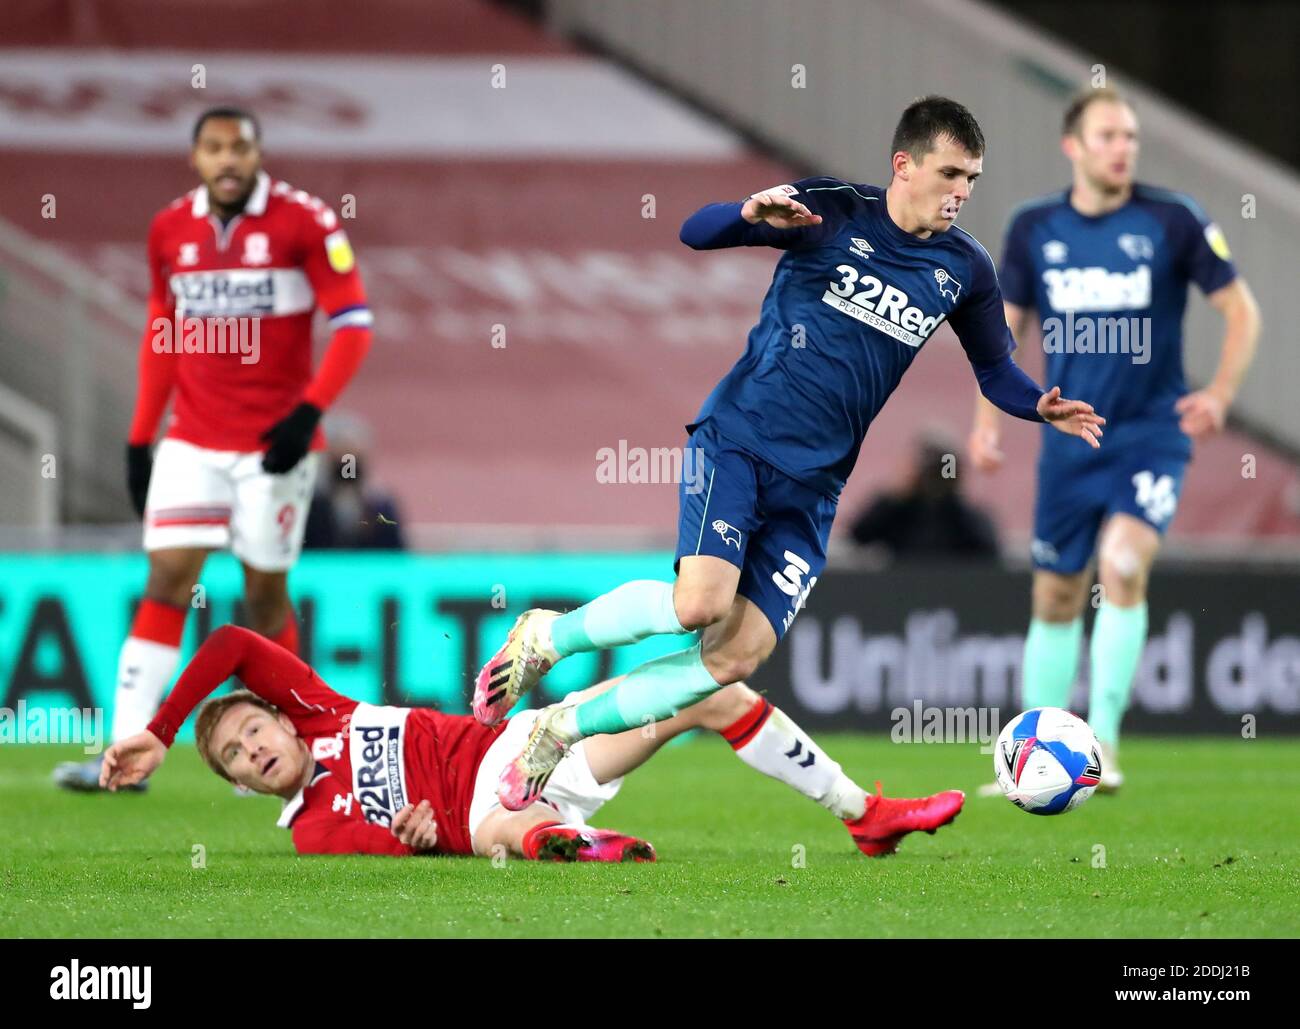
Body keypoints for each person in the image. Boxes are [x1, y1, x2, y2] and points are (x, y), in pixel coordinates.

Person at [472, 95, 1105, 811]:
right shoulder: (830, 210)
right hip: (740, 439)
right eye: (952, 172)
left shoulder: (965, 268)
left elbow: (995, 370)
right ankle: (546, 636)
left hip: (818, 484)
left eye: (973, 179)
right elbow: (692, 232)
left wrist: (1037, 403)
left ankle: (561, 727)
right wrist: (747, 216)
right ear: (905, 165)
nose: (962, 191)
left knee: (736, 656)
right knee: (698, 605)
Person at [55, 106, 374, 791]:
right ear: (196, 158)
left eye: (240, 147)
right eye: (214, 148)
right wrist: (140, 439)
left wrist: (310, 412)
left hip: (274, 447)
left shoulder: (305, 221)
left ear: (257, 154)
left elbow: (354, 324)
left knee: (264, 595)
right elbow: (159, 334)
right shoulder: (170, 229)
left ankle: (307, 746)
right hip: (193, 439)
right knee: (167, 576)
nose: (227, 159)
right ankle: (123, 755)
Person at [968, 87, 1260, 790]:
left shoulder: (1173, 219)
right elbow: (1001, 331)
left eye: (1129, 136)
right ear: (1074, 146)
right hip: (1070, 440)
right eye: (1108, 136)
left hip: (1150, 434)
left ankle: (1101, 745)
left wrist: (1220, 393)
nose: (1123, 147)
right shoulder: (1033, 226)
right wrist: (986, 422)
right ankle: (1031, 755)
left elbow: (1241, 309)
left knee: (1123, 564)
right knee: (1056, 596)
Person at [99, 625, 965, 861]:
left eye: (251, 726)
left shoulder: (323, 710)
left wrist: (161, 729)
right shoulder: (307, 825)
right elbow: (390, 841)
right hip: (482, 813)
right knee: (500, 830)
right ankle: (570, 843)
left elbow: (231, 649)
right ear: (242, 786)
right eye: (235, 759)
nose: (251, 747)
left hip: (525, 742)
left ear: (283, 717)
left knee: (714, 691)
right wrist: (420, 836)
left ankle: (863, 811)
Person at [849, 429, 1000, 561]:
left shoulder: (958, 513)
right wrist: (897, 495)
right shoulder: (899, 509)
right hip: (903, 587)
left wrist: (952, 492)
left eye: (944, 466)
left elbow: (988, 548)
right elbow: (858, 534)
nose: (934, 474)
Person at [303, 412, 405, 550]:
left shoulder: (381, 507)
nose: (348, 467)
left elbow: (395, 555)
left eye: (353, 459)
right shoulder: (311, 507)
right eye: (342, 458)